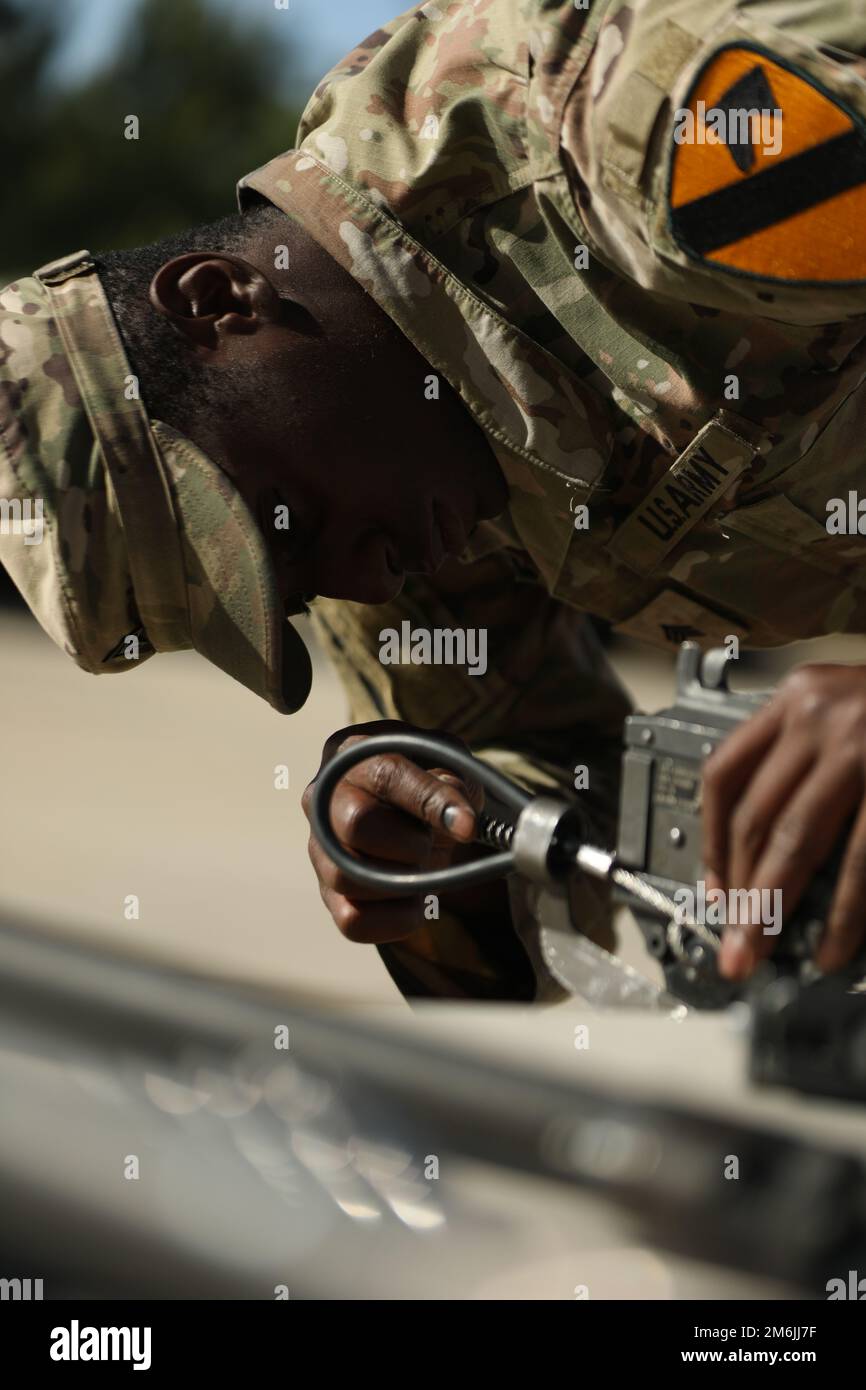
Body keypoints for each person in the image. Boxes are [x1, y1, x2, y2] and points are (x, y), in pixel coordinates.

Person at [4, 0, 866, 1002]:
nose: (355, 580)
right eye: (284, 588)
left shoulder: (628, 138)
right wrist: (451, 874)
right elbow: (557, 855)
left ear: (218, 302)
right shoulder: (401, 493)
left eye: (280, 517)